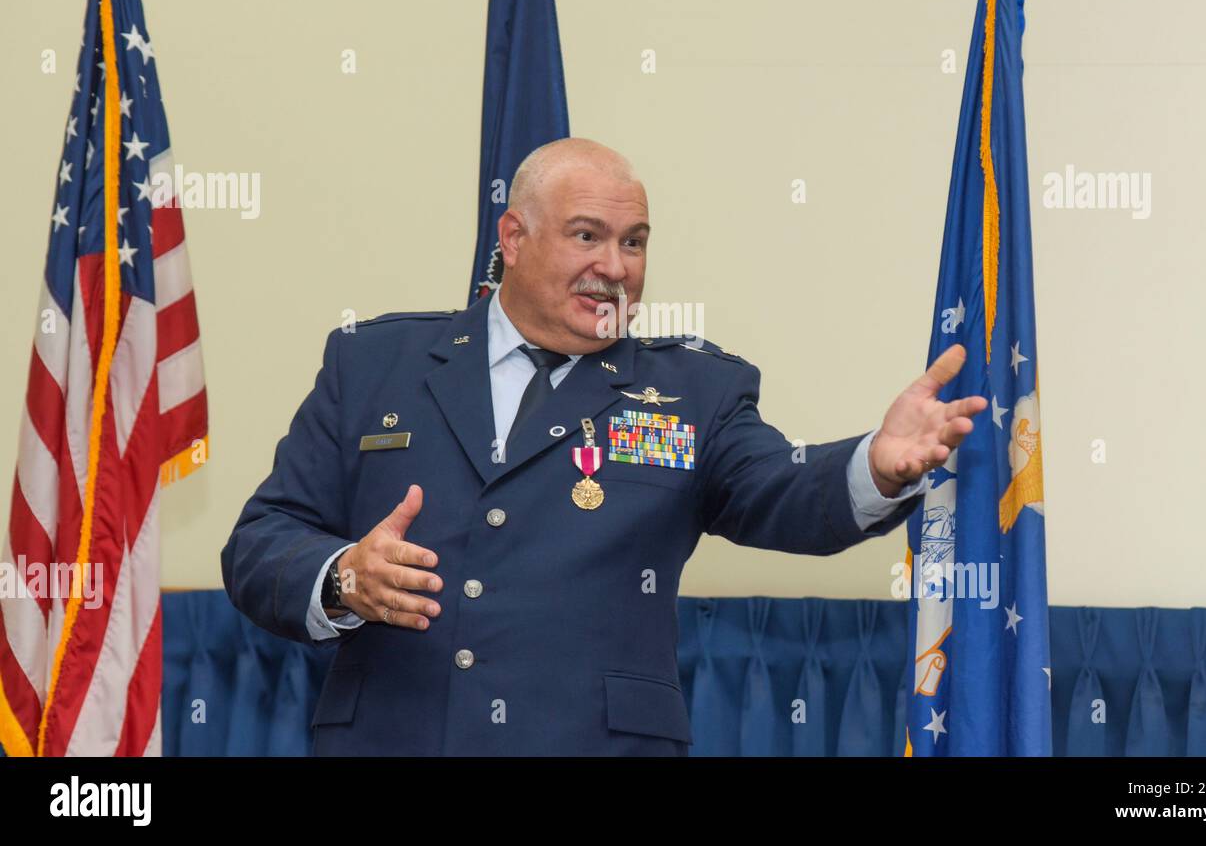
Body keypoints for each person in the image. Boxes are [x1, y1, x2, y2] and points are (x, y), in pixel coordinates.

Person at [220, 137, 988, 756]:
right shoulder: (373, 363)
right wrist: (341, 575)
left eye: (634, 242)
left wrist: (874, 468)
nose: (615, 267)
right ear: (513, 239)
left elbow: (779, 489)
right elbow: (260, 542)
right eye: (587, 236)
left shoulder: (693, 391)